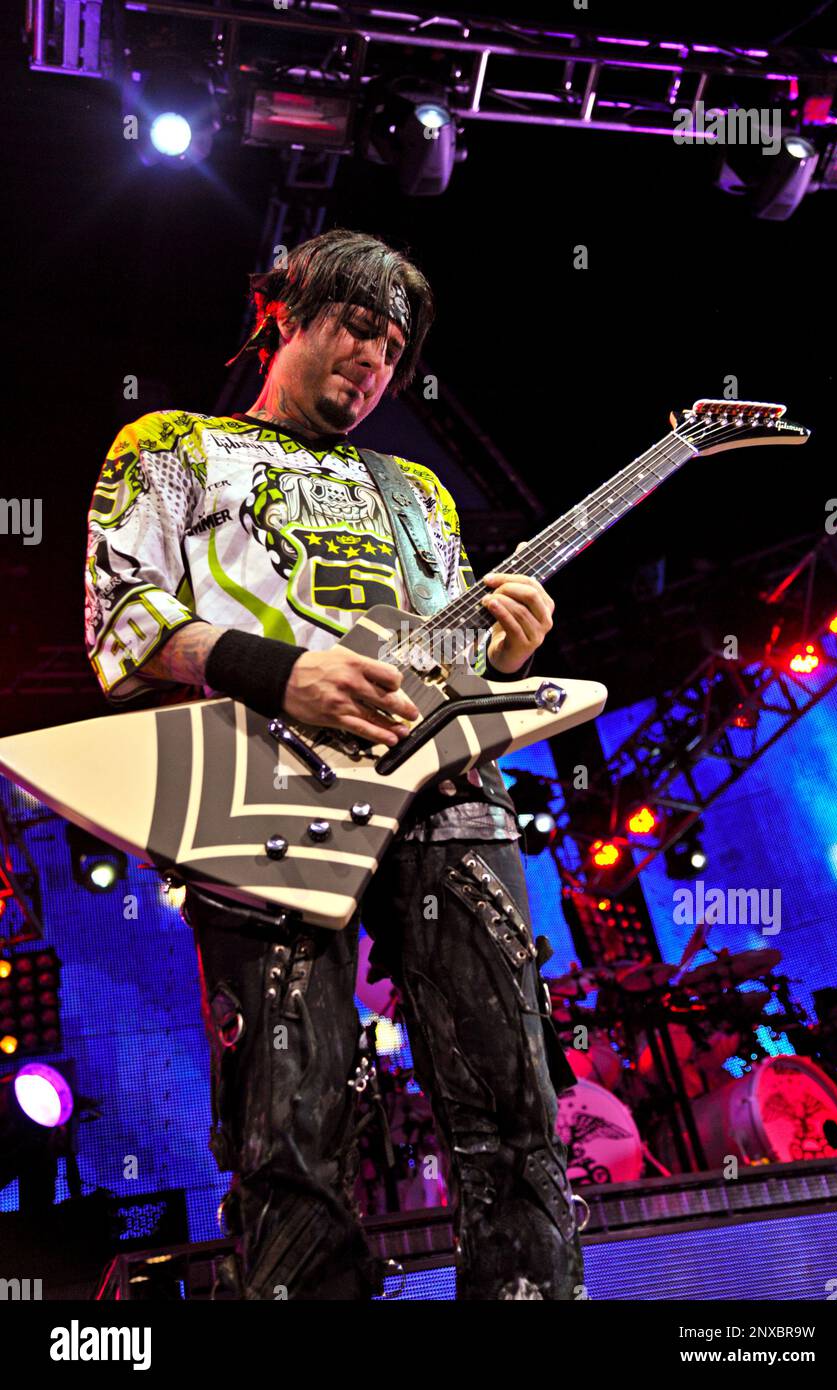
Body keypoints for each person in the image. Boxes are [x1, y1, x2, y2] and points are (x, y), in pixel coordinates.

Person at [84, 227, 586, 1300]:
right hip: (258, 800)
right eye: (357, 328)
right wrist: (279, 672)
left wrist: (499, 648)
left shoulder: (416, 492)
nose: (375, 361)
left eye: (395, 349)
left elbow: (444, 664)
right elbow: (119, 621)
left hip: (445, 798)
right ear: (283, 314)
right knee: (287, 1125)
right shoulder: (169, 446)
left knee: (514, 1105)